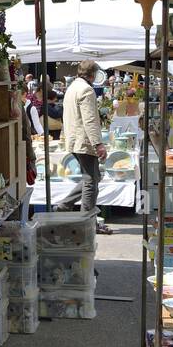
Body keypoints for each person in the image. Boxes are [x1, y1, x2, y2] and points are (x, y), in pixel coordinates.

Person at [63, 60, 108, 226]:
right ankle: (87, 223)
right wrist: (98, 144)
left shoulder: (73, 87)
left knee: (91, 178)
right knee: (91, 182)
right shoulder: (86, 90)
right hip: (84, 141)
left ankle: (64, 206)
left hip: (75, 140)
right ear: (92, 74)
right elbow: (89, 120)